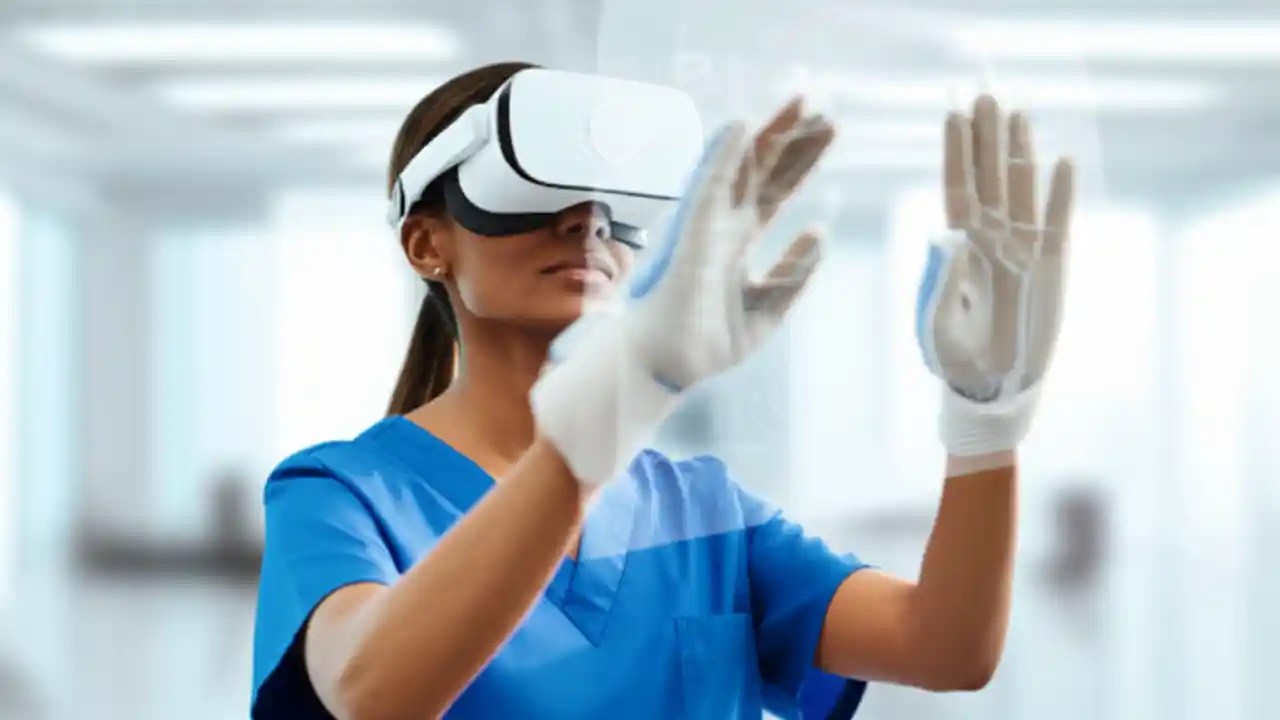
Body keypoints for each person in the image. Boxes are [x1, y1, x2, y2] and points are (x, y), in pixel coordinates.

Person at [251, 61, 1075, 719]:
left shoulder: (707, 512)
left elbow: (947, 646)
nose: (586, 221)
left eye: (608, 197)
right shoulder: (340, 495)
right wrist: (616, 402)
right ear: (427, 244)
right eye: (528, 191)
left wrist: (984, 423)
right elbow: (372, 694)